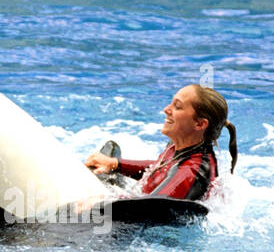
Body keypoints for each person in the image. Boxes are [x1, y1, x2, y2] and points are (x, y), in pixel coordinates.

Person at [84, 84, 237, 201]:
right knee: (108, 153)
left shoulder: (192, 172)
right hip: (144, 207)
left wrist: (102, 201)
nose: (166, 109)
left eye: (177, 106)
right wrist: (116, 164)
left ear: (199, 124)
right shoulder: (180, 145)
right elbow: (161, 169)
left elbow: (152, 207)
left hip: (144, 231)